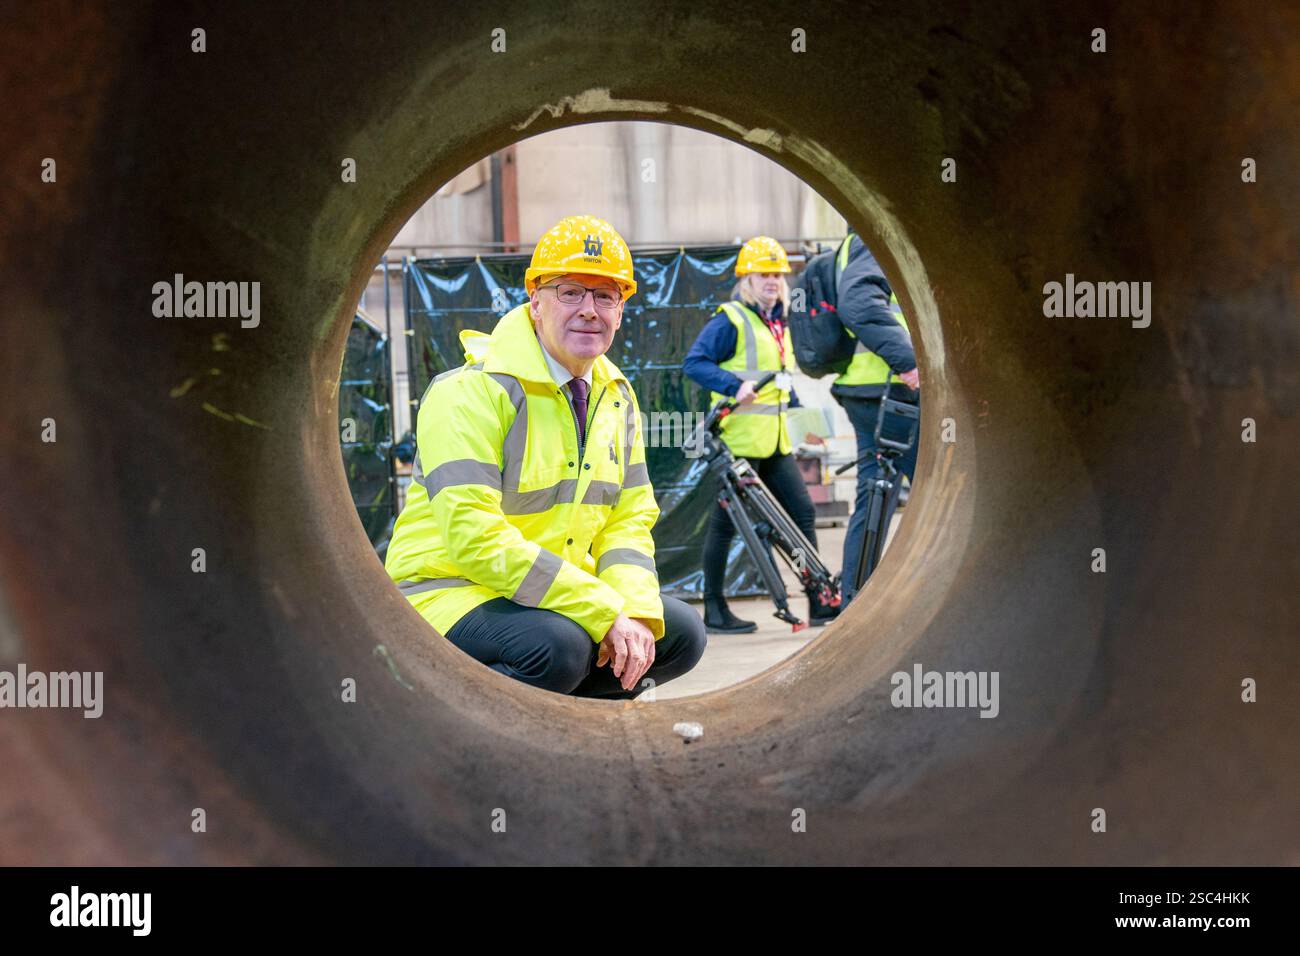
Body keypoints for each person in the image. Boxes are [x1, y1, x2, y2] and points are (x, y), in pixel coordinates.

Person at [384, 215, 706, 698]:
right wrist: (599, 609)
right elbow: (475, 538)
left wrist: (633, 610)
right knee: (559, 648)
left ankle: (575, 743)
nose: (589, 311)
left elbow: (628, 521)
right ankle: (457, 741)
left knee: (675, 634)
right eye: (570, 292)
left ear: (621, 310)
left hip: (544, 592)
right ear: (535, 301)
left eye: (606, 296)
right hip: (447, 590)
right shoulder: (469, 392)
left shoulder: (616, 396)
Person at [683, 236, 840, 634]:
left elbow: (783, 385)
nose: (772, 280)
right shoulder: (731, 319)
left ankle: (819, 601)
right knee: (724, 526)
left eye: (777, 274)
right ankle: (715, 612)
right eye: (763, 274)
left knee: (802, 512)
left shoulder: (779, 321)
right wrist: (733, 385)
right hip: (738, 441)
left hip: (774, 441)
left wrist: (809, 427)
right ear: (746, 278)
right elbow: (694, 363)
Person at [830, 232, 921, 602]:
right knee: (936, 490)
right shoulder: (875, 240)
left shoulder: (851, 246)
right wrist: (910, 364)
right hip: (889, 389)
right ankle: (927, 593)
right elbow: (858, 304)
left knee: (874, 491)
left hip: (865, 391)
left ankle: (855, 597)